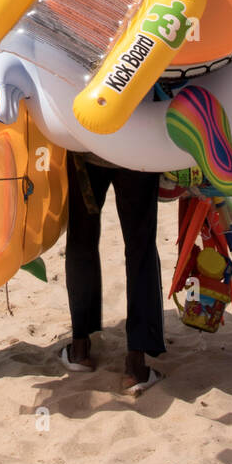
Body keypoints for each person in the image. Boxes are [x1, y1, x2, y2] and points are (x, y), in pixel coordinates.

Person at [61, 153, 165, 393]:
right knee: (141, 247)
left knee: (80, 238)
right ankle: (136, 367)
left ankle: (80, 350)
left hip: (85, 147)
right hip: (136, 151)